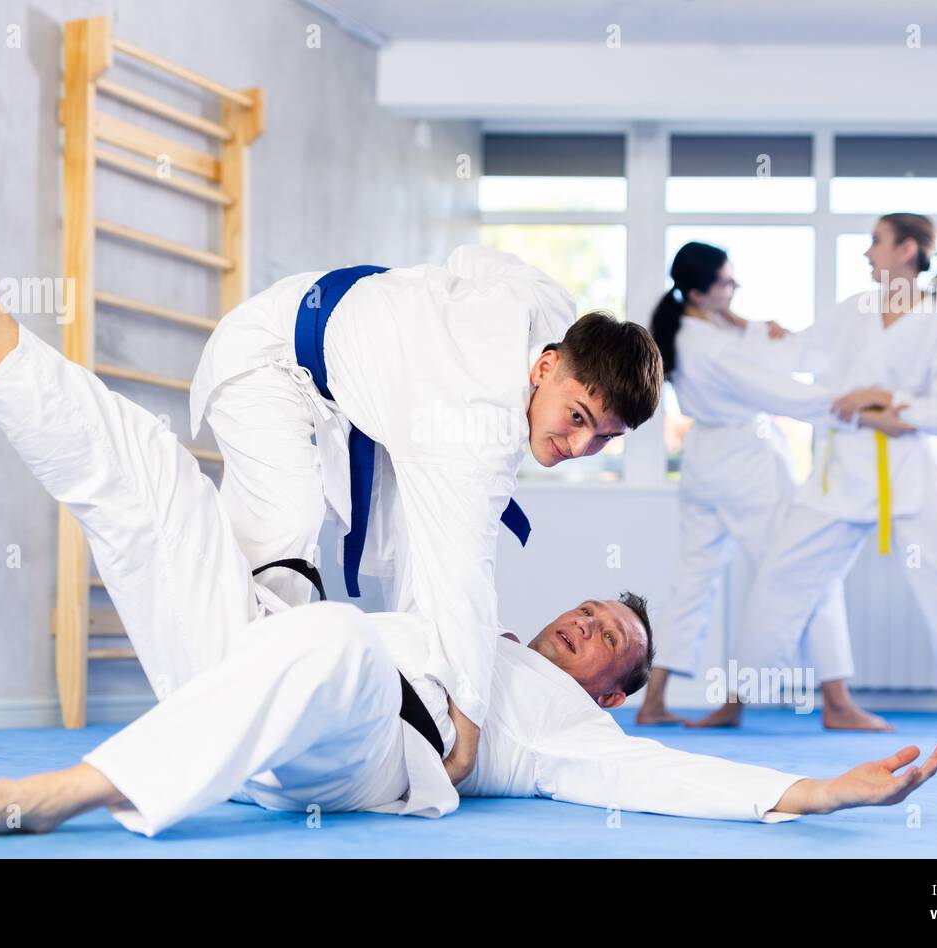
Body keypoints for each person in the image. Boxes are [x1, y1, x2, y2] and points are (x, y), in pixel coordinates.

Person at [0, 138, 937, 839]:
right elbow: (454, 552)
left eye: (604, 648)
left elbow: (662, 777)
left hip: (357, 739)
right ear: (546, 366)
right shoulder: (480, 430)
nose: (584, 627)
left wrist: (812, 793)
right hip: (249, 670)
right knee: (149, 478)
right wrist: (465, 677)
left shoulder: (573, 734)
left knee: (336, 634)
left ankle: (44, 798)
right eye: (586, 616)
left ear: (609, 698)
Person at [190, 210, 662, 781]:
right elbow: (465, 577)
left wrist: (415, 326)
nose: (580, 445)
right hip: (267, 360)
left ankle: (417, 698)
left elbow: (470, 260)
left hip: (371, 395)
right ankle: (232, 725)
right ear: (545, 366)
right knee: (284, 547)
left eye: (605, 438)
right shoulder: (473, 427)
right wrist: (468, 737)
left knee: (418, 557)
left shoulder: (549, 306)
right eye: (577, 417)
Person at [721, 214, 937, 738]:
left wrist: (887, 400)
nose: (867, 254)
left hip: (912, 481)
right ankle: (734, 701)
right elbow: (798, 349)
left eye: (876, 242)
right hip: (840, 475)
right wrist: (743, 326)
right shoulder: (854, 310)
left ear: (906, 249)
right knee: (781, 577)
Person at [640, 241, 893, 731]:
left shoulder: (693, 333)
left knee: (694, 580)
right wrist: (851, 407)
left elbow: (762, 354)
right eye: (727, 283)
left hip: (702, 466)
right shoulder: (709, 345)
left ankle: (654, 701)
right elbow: (776, 390)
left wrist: (754, 326)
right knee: (804, 569)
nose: (734, 289)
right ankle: (837, 701)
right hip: (746, 467)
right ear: (698, 292)